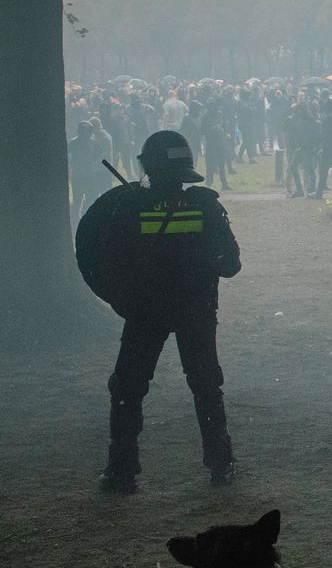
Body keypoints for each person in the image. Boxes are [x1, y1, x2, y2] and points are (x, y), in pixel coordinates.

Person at [76, 131, 242, 493]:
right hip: (195, 309)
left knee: (127, 388)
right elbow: (230, 265)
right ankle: (221, 463)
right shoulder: (205, 206)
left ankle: (121, 471)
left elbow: (102, 259)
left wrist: (124, 296)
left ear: (147, 165)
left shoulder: (127, 208)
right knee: (206, 386)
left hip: (145, 310)